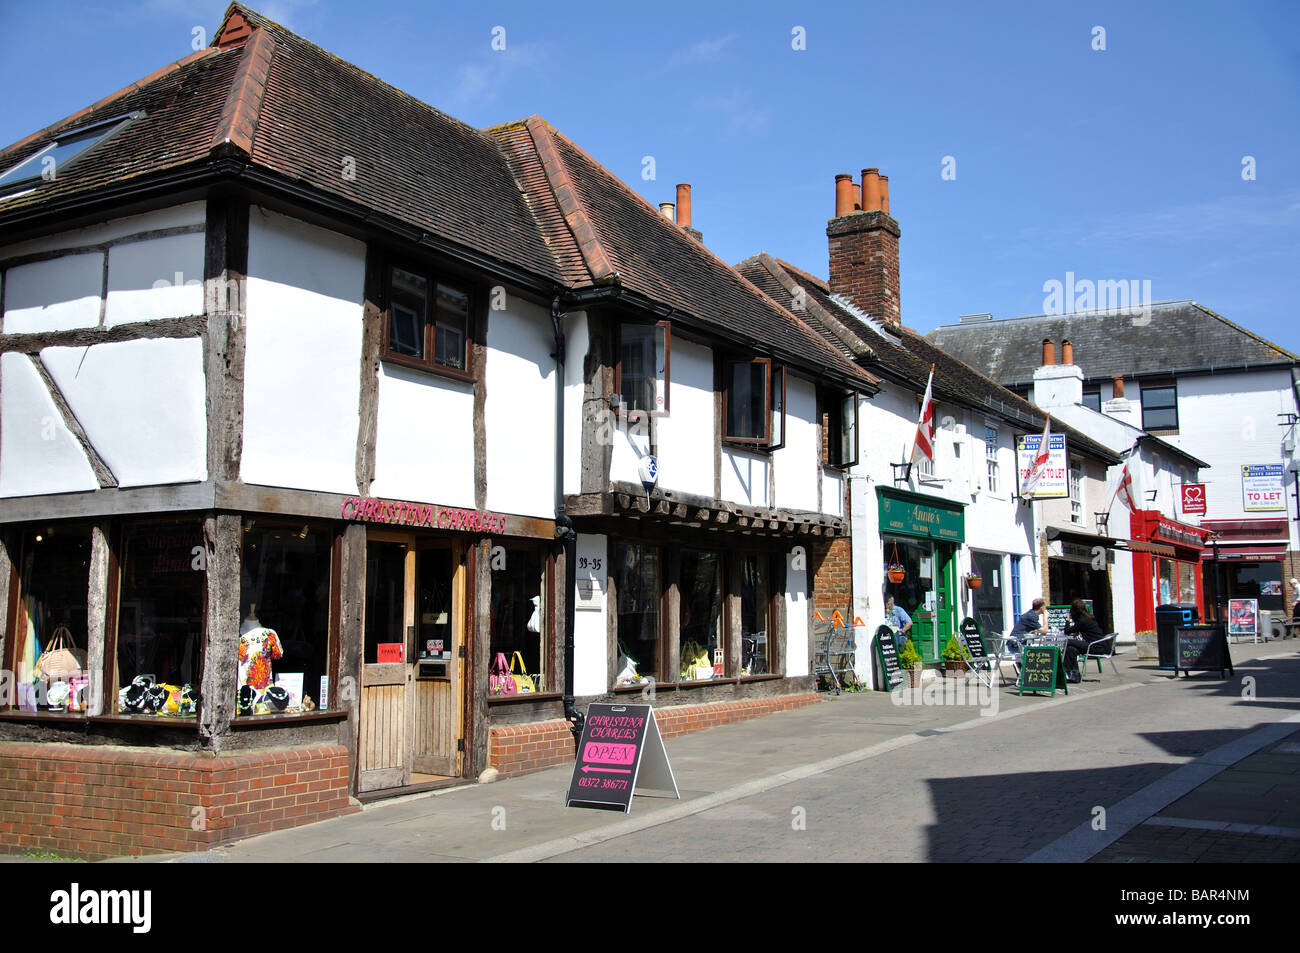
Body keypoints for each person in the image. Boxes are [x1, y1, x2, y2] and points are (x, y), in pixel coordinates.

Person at [1062, 598, 1108, 683]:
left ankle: (1067, 672)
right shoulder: (1087, 618)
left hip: (1096, 646)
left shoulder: (1082, 621)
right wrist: (1076, 632)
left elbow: (1067, 631)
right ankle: (1073, 675)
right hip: (1097, 645)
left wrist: (1067, 620)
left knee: (1067, 642)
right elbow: (1079, 629)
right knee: (1071, 649)